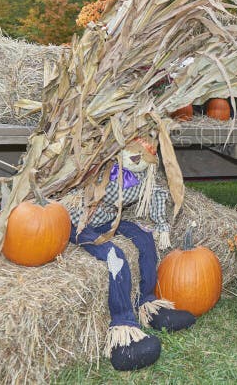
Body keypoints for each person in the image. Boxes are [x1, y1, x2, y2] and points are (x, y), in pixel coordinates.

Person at [67, 137, 194, 371]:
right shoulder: (101, 167)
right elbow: (99, 192)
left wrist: (161, 223)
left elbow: (154, 192)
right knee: (114, 255)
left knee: (144, 238)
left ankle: (148, 305)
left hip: (107, 220)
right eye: (135, 157)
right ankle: (123, 328)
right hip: (79, 222)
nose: (138, 162)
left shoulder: (142, 173)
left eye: (144, 158)